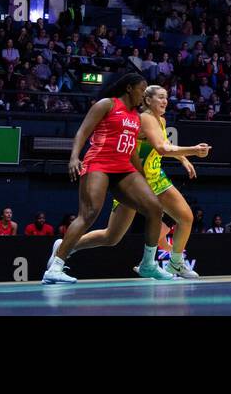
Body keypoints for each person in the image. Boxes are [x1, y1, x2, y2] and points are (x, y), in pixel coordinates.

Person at [42, 71, 179, 284]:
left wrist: (141, 175)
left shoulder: (136, 116)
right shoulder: (107, 104)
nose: (143, 95)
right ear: (129, 88)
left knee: (155, 208)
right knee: (90, 213)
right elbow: (82, 132)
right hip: (99, 162)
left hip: (124, 167)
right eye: (141, 90)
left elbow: (132, 149)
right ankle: (56, 266)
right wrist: (74, 158)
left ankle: (148, 265)